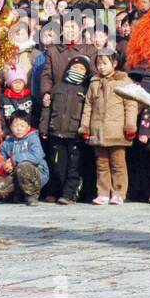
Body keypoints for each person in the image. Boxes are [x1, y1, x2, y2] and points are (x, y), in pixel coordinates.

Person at [79, 47, 137, 205]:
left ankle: (119, 192)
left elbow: (130, 105)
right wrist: (85, 127)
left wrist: (130, 126)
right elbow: (88, 106)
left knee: (118, 163)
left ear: (115, 63)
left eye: (105, 63)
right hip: (98, 130)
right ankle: (103, 192)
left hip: (116, 131)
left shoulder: (124, 82)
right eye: (99, 63)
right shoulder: (94, 83)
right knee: (101, 163)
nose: (101, 67)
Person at [40, 55, 91, 205]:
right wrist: (44, 128)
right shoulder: (57, 88)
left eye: (82, 69)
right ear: (68, 69)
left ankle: (69, 194)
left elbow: (88, 111)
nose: (78, 70)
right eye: (75, 67)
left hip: (75, 133)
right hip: (56, 132)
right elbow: (47, 110)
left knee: (73, 167)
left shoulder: (85, 89)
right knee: (58, 165)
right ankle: (58, 191)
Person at [0, 110, 49, 205]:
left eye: (22, 126)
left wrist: (13, 160)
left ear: (28, 127)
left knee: (23, 166)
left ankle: (31, 196)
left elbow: (37, 156)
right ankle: (16, 195)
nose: (18, 129)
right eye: (15, 126)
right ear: (11, 127)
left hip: (36, 174)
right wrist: (4, 167)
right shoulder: (8, 142)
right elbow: (0, 159)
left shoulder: (33, 138)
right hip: (15, 176)